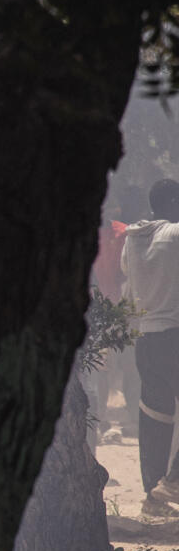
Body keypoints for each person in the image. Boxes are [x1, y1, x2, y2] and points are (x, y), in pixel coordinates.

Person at [123, 180, 179, 510]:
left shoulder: (134, 239)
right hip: (174, 334)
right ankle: (173, 482)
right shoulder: (175, 234)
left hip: (146, 339)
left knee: (155, 415)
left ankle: (152, 495)